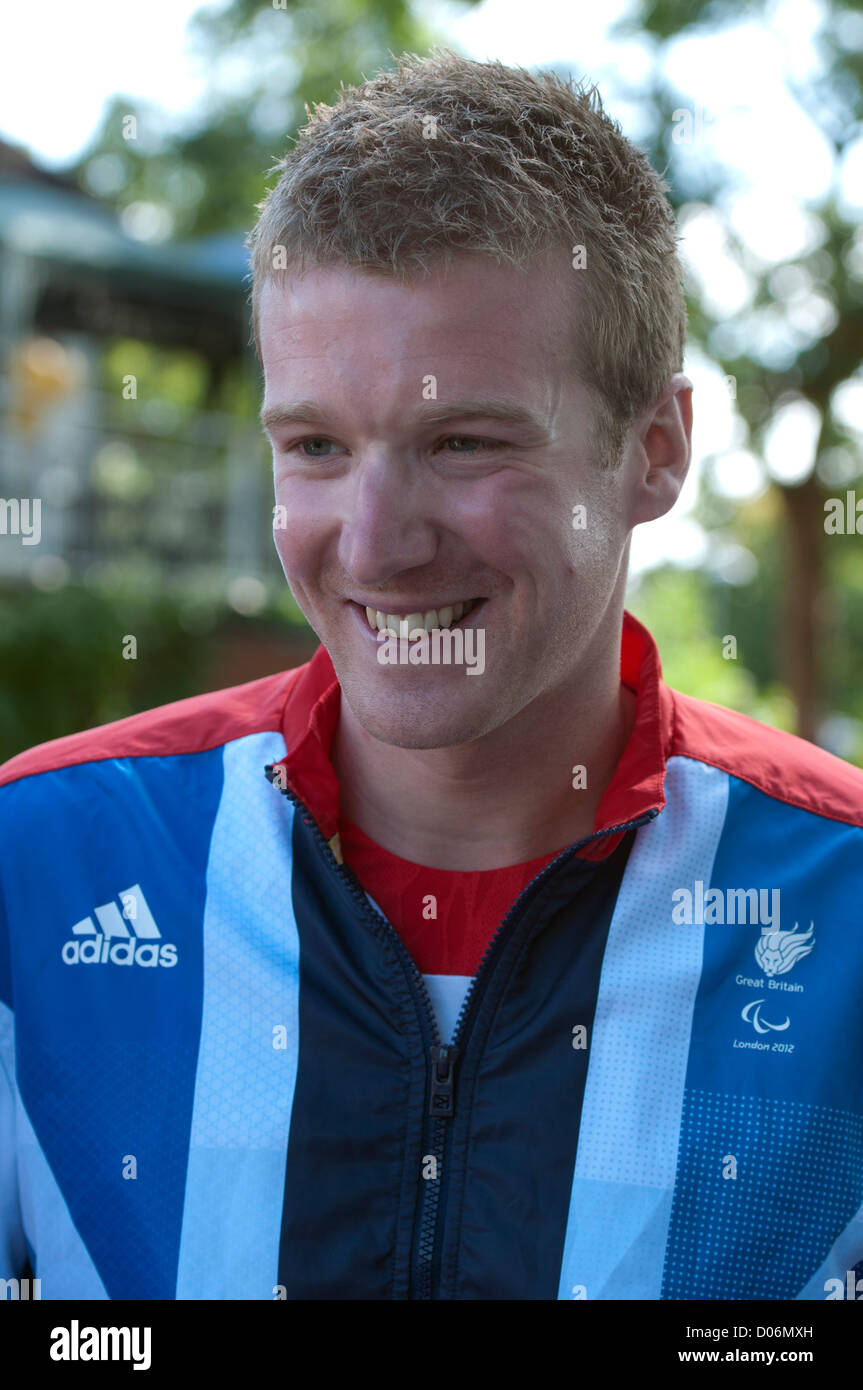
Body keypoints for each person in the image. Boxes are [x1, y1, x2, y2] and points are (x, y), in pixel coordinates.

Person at [1, 50, 862, 1303]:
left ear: (656, 451)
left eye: (461, 441)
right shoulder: (41, 865)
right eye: (316, 446)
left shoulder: (839, 909)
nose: (374, 542)